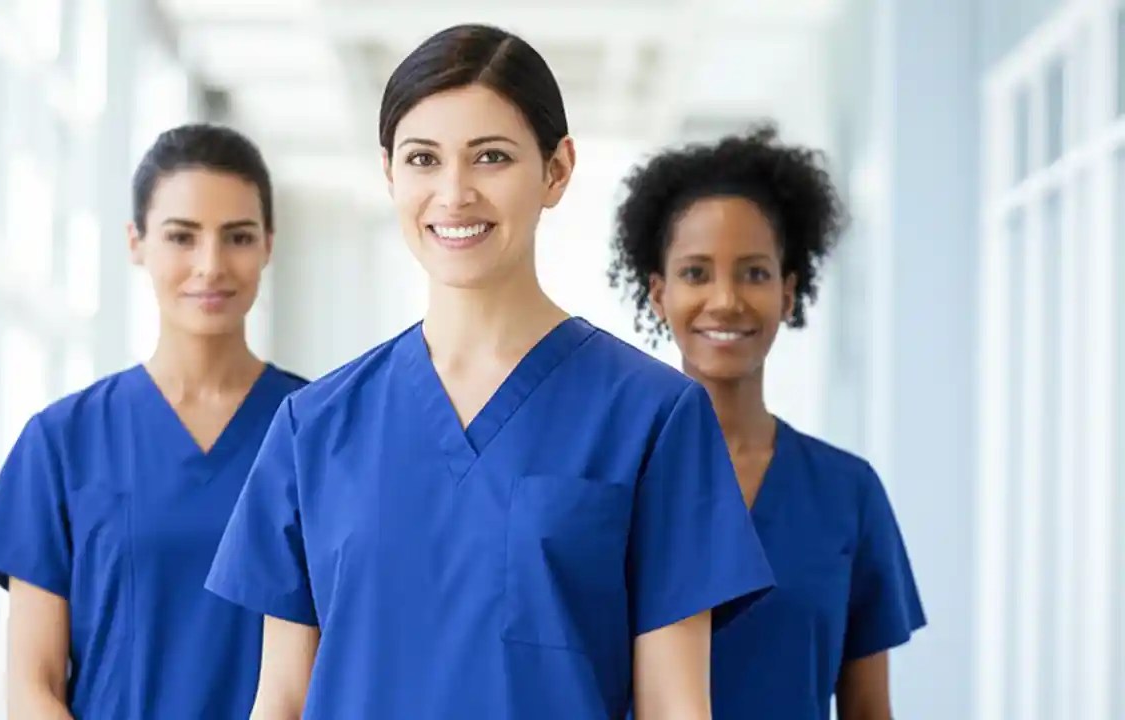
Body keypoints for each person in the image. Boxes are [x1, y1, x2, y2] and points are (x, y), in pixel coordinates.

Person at [203, 24, 774, 720]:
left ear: (556, 171)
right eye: (422, 159)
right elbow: (282, 700)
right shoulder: (312, 428)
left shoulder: (653, 417)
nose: (454, 193)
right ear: (389, 173)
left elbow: (676, 707)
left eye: (491, 157)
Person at [0, 123, 308, 718]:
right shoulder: (63, 442)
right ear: (135, 241)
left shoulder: (318, 433)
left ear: (268, 245)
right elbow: (31, 685)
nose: (210, 265)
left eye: (238, 237)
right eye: (181, 236)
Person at [608, 124, 926, 719]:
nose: (725, 300)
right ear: (658, 293)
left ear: (787, 291)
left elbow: (867, 709)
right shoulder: (609, 483)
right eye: (696, 273)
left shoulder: (846, 493)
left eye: (753, 273)